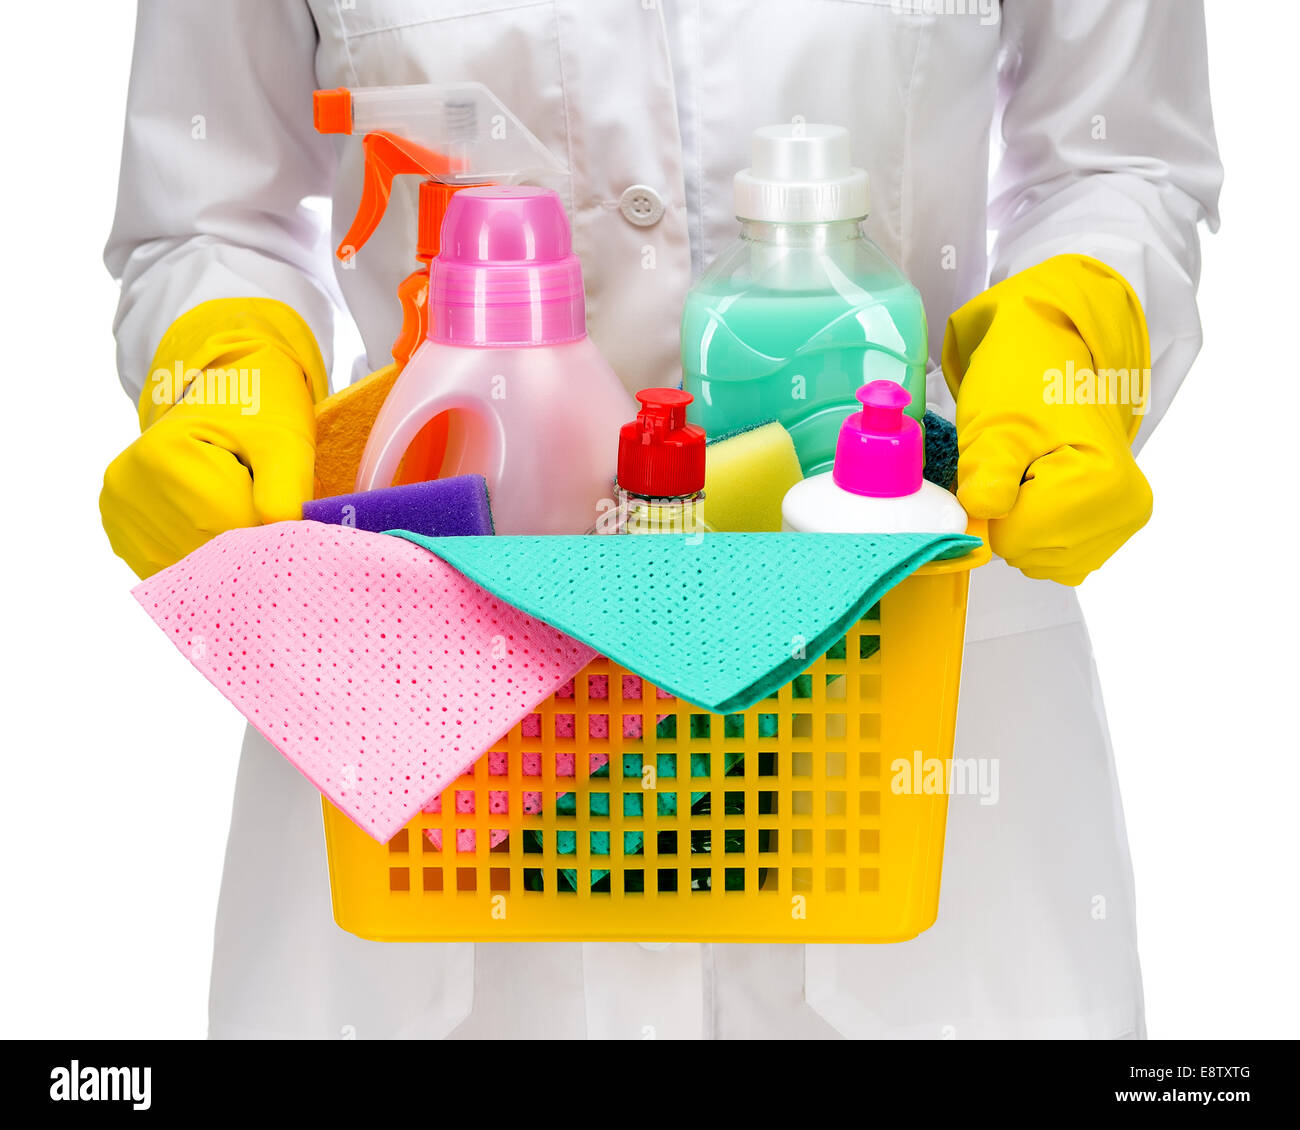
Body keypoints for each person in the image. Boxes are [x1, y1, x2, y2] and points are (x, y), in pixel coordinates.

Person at [99, 0, 1222, 1039]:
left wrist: (1072, 337)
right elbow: (208, 212)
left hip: (914, 750)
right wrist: (224, 363)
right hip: (428, 755)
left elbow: (1122, 158)